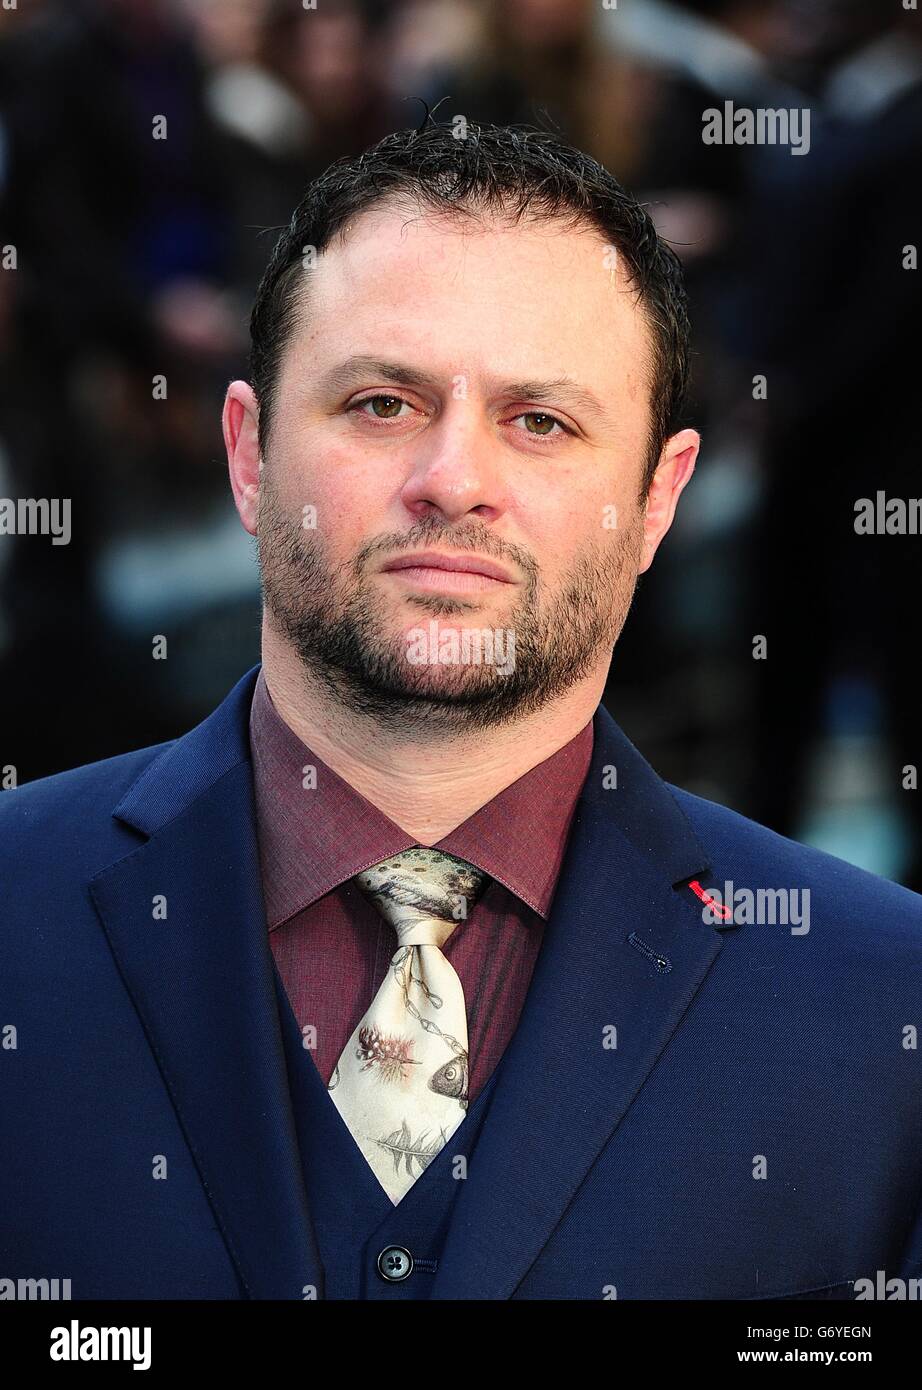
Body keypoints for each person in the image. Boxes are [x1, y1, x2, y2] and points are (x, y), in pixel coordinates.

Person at [2, 121, 920, 1302]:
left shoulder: (887, 1010)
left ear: (655, 500)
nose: (454, 477)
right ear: (248, 454)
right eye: (383, 402)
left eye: (542, 421)